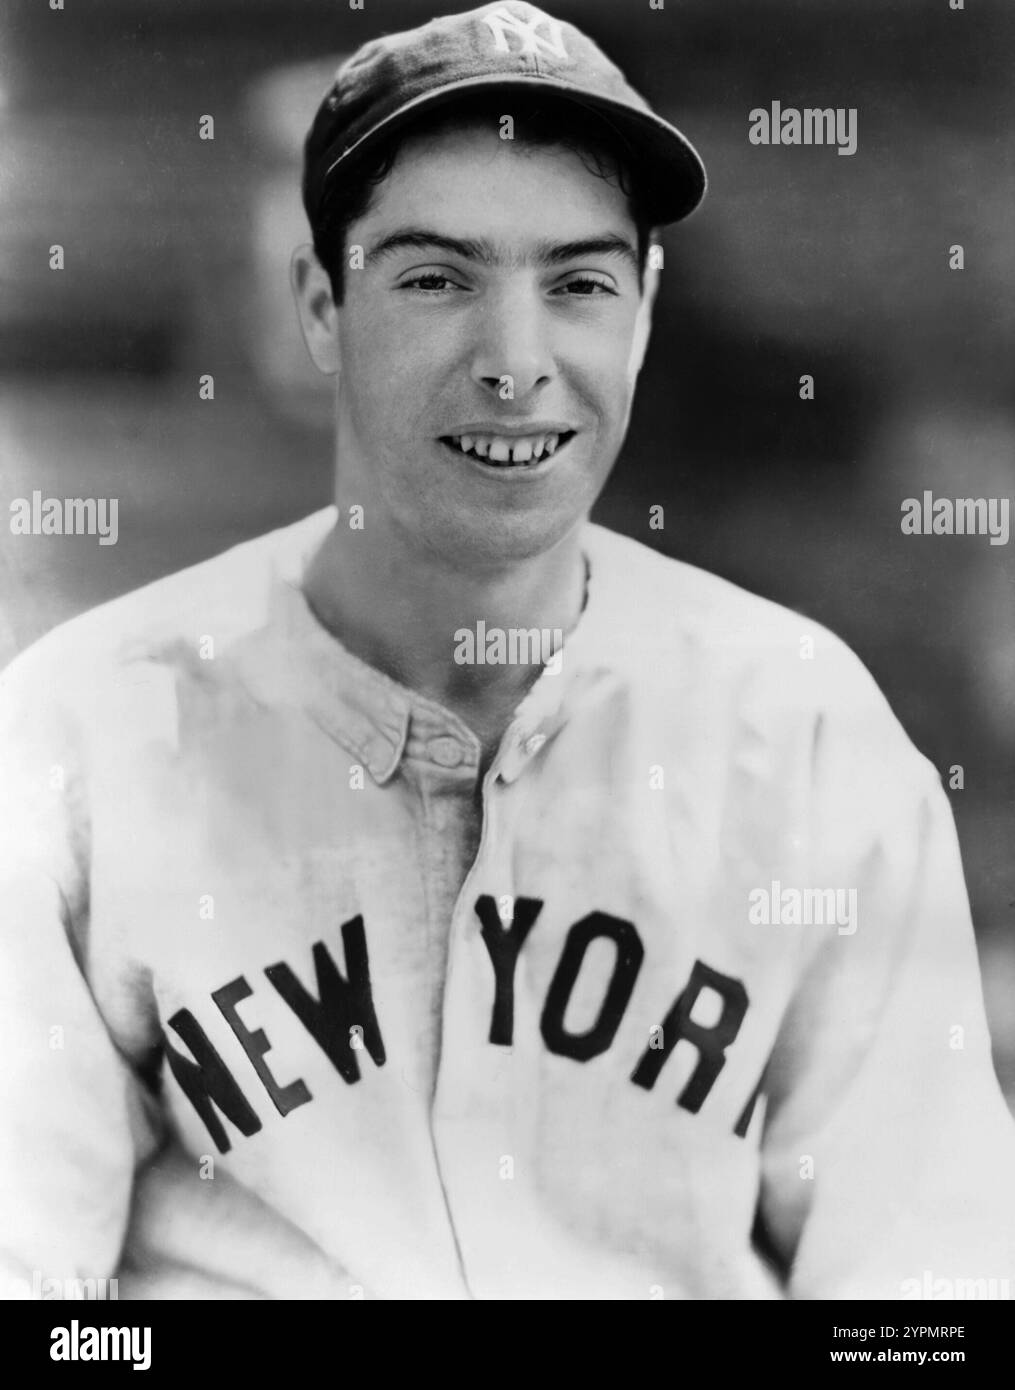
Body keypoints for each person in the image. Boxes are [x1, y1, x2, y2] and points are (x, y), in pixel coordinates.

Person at [1, 0, 1013, 1301]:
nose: (517, 363)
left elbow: (928, 1297)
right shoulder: (79, 736)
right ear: (322, 304)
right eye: (436, 280)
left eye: (579, 284)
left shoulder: (807, 732)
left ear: (644, 312)